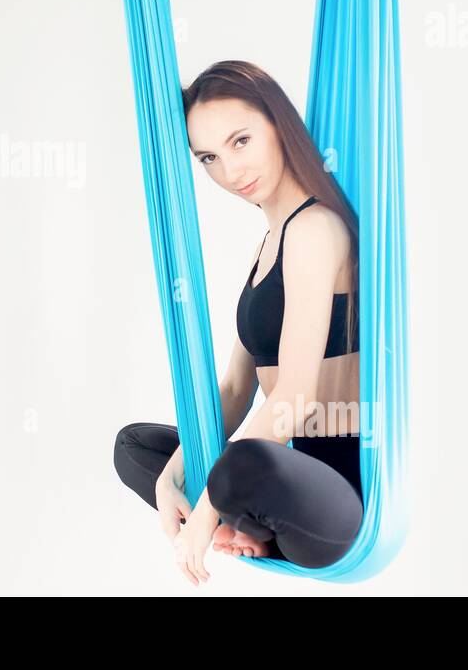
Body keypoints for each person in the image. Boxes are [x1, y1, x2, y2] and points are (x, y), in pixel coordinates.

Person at [113, 59, 365, 584]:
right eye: (209, 157)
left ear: (277, 123)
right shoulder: (268, 244)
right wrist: (171, 479)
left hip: (334, 490)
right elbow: (233, 388)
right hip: (275, 473)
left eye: (240, 141)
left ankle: (242, 519)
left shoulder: (316, 228)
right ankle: (248, 526)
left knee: (244, 463)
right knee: (137, 447)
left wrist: (204, 513)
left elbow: (294, 395)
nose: (229, 170)